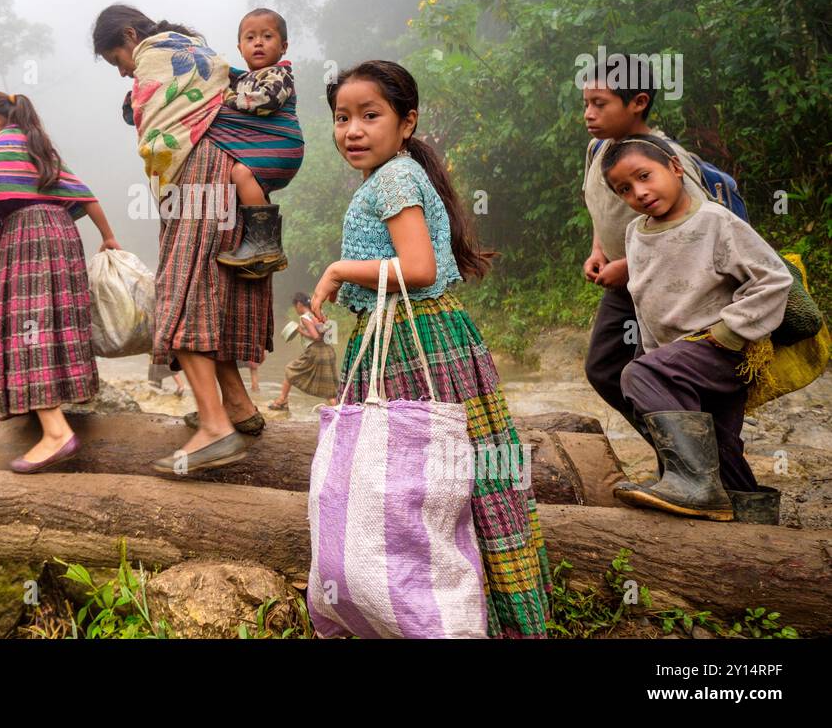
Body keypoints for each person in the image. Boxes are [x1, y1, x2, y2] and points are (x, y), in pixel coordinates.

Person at [309, 60, 551, 638]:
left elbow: (418, 269)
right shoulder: (396, 176)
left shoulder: (394, 179)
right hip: (422, 337)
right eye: (342, 118)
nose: (353, 130)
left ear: (406, 122)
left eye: (371, 115)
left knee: (412, 481)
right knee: (462, 477)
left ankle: (419, 616)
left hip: (413, 343)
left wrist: (338, 270)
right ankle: (484, 616)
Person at [95, 4, 275, 471]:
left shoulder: (157, 53)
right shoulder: (194, 52)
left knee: (179, 296)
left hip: (197, 182)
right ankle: (238, 406)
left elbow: (160, 123)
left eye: (118, 60)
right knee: (211, 287)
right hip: (224, 176)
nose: (123, 72)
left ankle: (215, 429)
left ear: (131, 35)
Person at [0, 91, 121, 473]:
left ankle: (56, 433)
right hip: (63, 235)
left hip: (29, 237)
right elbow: (85, 194)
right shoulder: (38, 145)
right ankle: (48, 413)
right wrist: (108, 236)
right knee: (50, 324)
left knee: (27, 326)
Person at [600, 135, 791, 521]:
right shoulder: (636, 233)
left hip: (723, 350)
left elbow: (774, 279)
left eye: (644, 176)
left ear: (674, 167)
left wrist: (730, 332)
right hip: (674, 360)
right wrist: (652, 355)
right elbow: (644, 298)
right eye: (625, 189)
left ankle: (693, 485)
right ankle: (758, 525)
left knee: (637, 376)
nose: (639, 192)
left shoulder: (715, 222)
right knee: (722, 447)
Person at [581, 54, 709, 452]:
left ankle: (695, 464)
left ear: (637, 102)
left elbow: (697, 231)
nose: (588, 114)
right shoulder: (598, 149)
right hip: (625, 288)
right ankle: (678, 454)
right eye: (586, 103)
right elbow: (600, 206)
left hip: (670, 290)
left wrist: (630, 265)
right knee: (604, 369)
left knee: (655, 376)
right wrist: (598, 248)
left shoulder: (665, 159)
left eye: (600, 104)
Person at [209, 8, 305, 278]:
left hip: (281, 147)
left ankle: (263, 244)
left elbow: (266, 101)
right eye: (250, 38)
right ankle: (267, 251)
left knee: (240, 173)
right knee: (241, 176)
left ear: (283, 46)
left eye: (267, 36)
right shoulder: (243, 78)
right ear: (240, 47)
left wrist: (226, 99)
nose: (258, 42)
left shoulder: (279, 74)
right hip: (264, 149)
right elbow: (223, 74)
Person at [267, 292, 339, 409]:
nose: (296, 309)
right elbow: (324, 334)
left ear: (299, 304)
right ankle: (339, 411)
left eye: (295, 306)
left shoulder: (305, 318)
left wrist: (300, 331)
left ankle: (282, 401)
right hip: (329, 352)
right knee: (329, 387)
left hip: (315, 352)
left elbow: (316, 337)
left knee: (289, 370)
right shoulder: (316, 314)